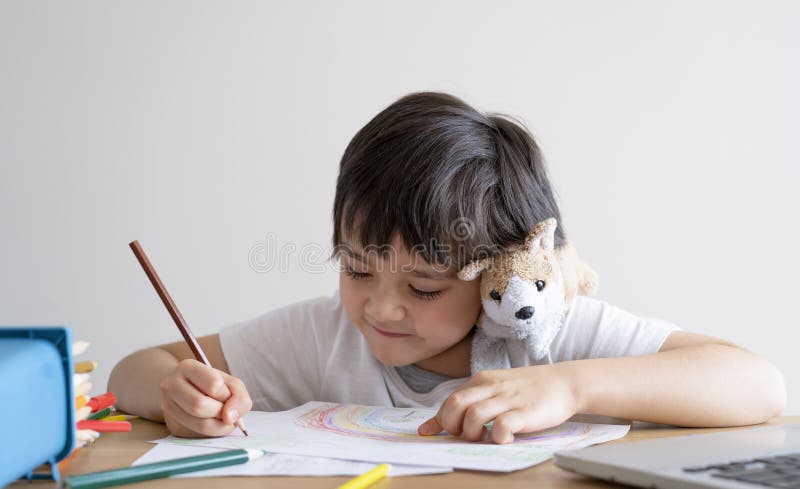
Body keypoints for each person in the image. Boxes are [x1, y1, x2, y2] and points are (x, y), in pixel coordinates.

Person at [109, 92, 786, 444]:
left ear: (505, 270)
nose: (381, 308)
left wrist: (571, 388)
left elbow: (759, 386)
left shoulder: (541, 336)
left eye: (424, 286)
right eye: (357, 268)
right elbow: (131, 370)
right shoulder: (323, 336)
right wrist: (179, 391)